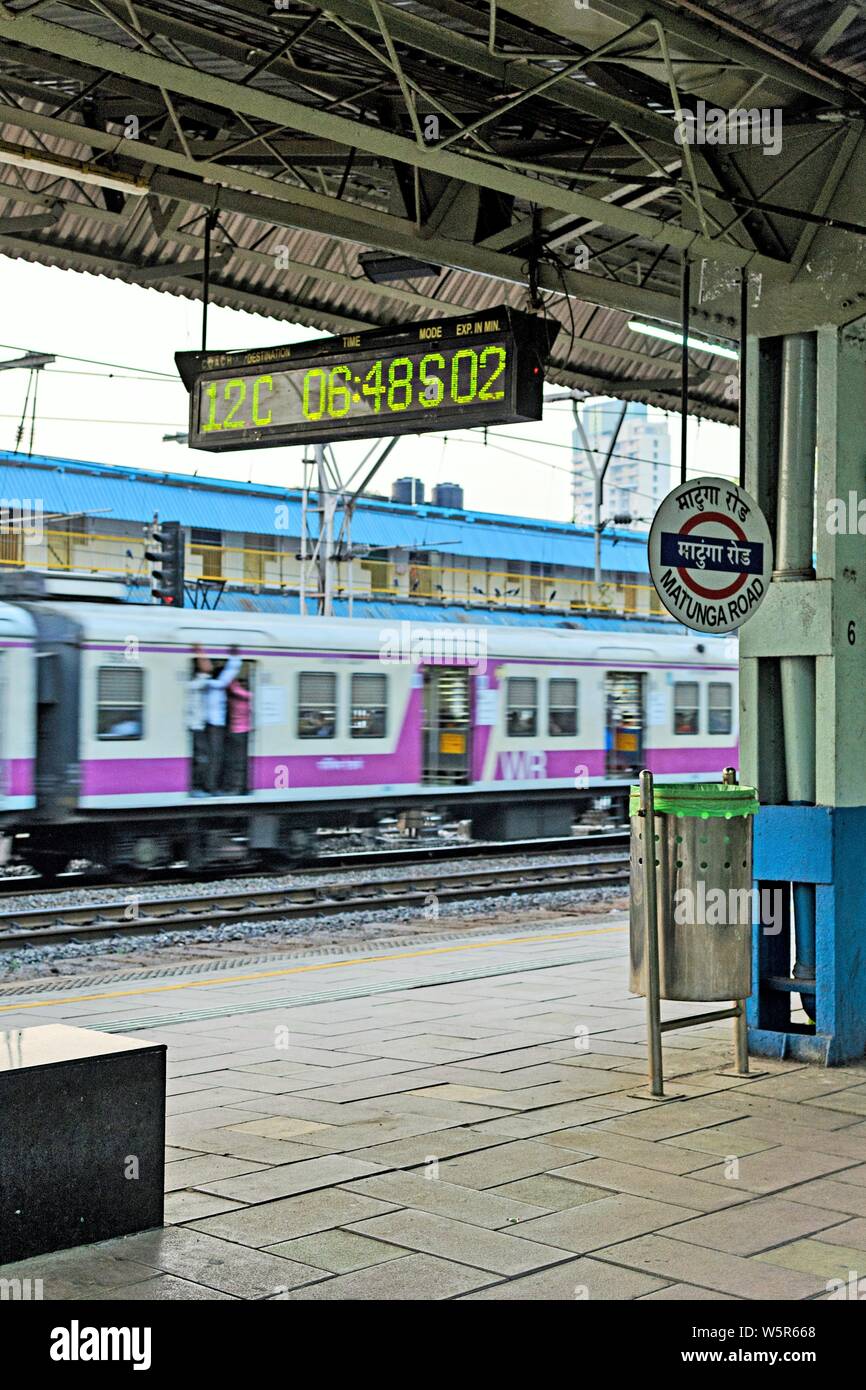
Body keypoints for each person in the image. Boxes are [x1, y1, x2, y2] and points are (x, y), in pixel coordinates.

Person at [204, 645, 241, 794]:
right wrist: (235, 658)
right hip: (215, 726)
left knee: (217, 756)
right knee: (216, 756)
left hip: (215, 725)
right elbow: (228, 675)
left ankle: (213, 784)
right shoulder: (215, 686)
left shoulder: (211, 686)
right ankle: (211, 786)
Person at [186, 646, 212, 795]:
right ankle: (195, 787)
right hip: (196, 727)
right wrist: (200, 651)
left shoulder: (192, 685)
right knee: (202, 759)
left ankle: (195, 786)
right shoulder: (195, 685)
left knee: (198, 758)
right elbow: (207, 668)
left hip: (196, 726)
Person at [225, 669, 253, 795]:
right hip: (242, 732)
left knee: (237, 762)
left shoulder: (236, 697)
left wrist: (232, 678)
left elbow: (234, 688)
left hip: (238, 732)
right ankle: (239, 787)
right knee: (240, 762)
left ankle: (237, 787)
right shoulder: (246, 697)